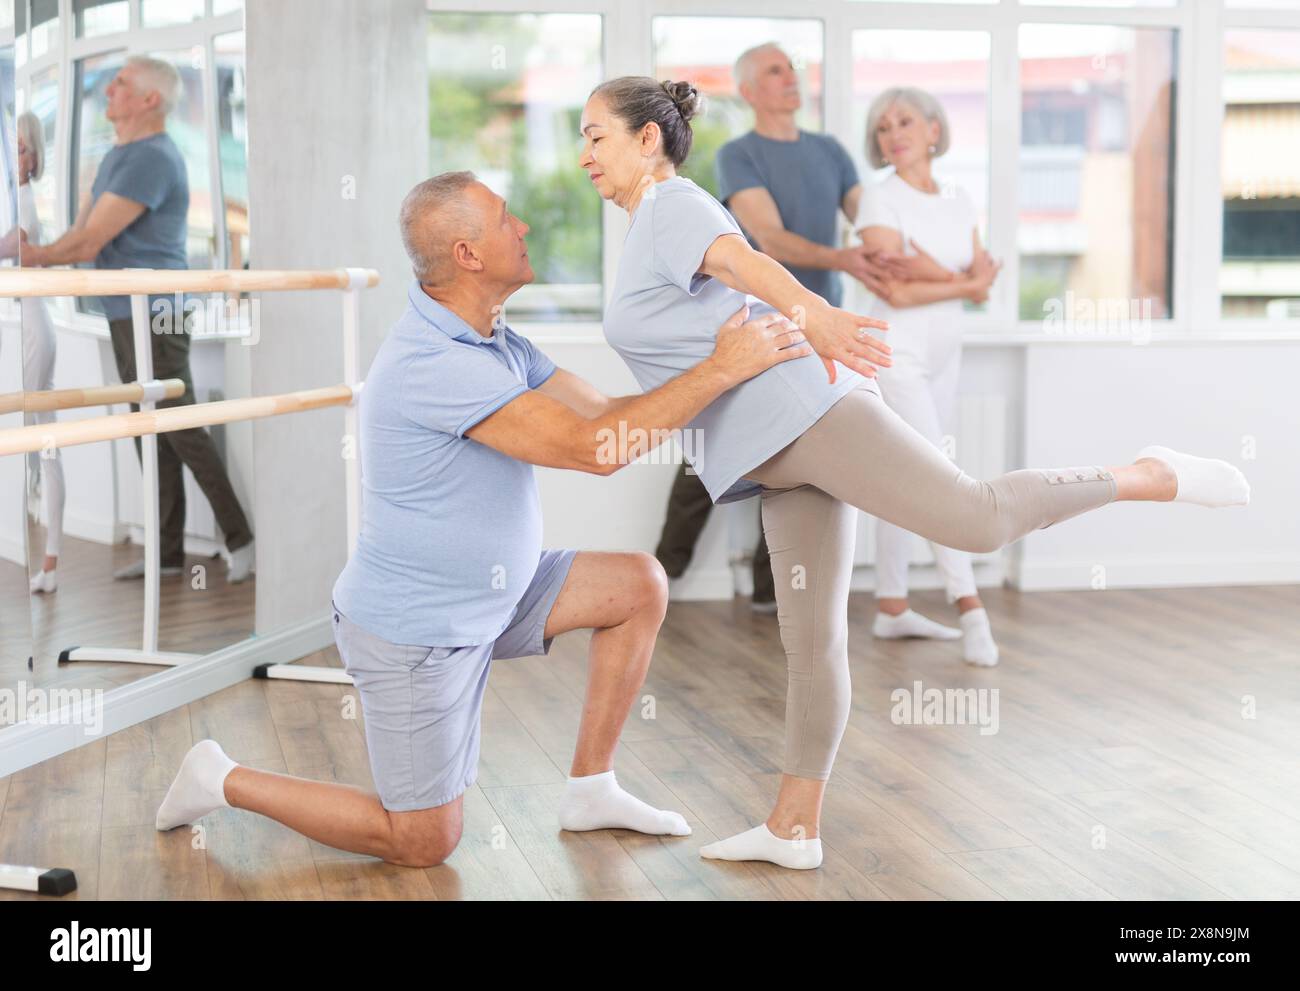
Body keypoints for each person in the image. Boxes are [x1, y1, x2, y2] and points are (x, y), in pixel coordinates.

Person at [580, 75, 1250, 870]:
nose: (585, 154)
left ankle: (1149, 472)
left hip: (805, 409)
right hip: (769, 451)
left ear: (646, 140)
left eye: (595, 135)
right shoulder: (644, 230)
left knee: (974, 516)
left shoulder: (672, 205)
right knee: (813, 640)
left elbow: (747, 266)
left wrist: (819, 316)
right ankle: (794, 827)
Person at [152, 172, 811, 867]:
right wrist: (719, 370)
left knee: (637, 584)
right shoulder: (433, 363)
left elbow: (601, 410)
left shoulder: (495, 337)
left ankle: (591, 788)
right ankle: (218, 778)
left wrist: (735, 384)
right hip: (419, 630)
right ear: (467, 254)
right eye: (505, 220)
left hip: (499, 592)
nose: (522, 227)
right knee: (423, 841)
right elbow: (595, 450)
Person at [654, 43, 893, 613]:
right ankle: (660, 579)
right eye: (775, 71)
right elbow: (773, 241)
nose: (792, 78)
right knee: (705, 449)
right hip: (752, 325)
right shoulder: (740, 154)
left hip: (819, 331)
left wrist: (908, 235)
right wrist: (849, 259)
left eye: (794, 69)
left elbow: (875, 225)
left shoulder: (831, 151)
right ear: (750, 91)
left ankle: (772, 591)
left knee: (797, 454)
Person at [20, 55, 254, 583]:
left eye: (120, 85)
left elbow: (87, 241)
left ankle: (241, 539)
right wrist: (38, 255)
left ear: (150, 100)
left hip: (160, 308)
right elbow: (78, 238)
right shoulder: (117, 156)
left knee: (179, 421)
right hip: (127, 309)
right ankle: (168, 554)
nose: (107, 93)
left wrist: (33, 258)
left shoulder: (151, 157)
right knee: (150, 430)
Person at [854, 87, 1004, 665]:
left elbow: (982, 283)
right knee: (939, 474)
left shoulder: (959, 198)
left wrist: (941, 277)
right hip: (896, 351)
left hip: (946, 350)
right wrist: (964, 282)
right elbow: (893, 289)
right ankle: (969, 605)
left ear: (935, 131)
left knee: (903, 475)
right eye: (884, 126)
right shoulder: (878, 199)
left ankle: (892, 606)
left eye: (906, 122)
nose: (894, 133)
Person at [1, 113, 66, 593]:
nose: (19, 157)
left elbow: (15, 245)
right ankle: (50, 562)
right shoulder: (14, 199)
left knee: (39, 442)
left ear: (35, 157)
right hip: (30, 326)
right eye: (13, 147)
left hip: (33, 331)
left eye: (25, 149)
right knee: (44, 444)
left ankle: (46, 559)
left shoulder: (22, 199)